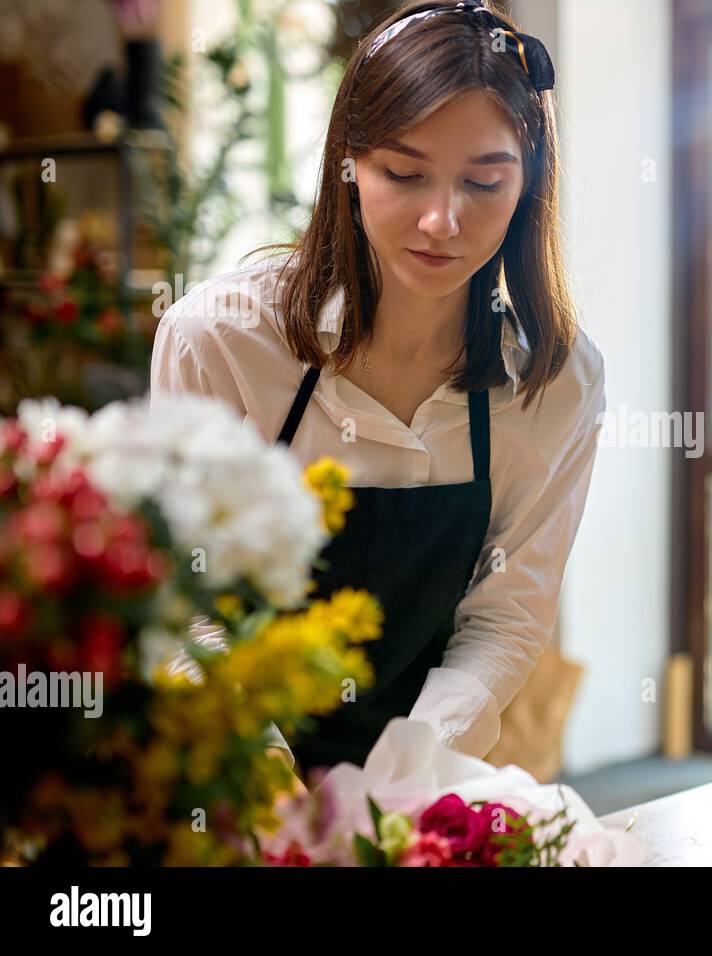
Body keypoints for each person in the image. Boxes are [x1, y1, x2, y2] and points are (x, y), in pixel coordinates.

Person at [148, 0, 604, 782]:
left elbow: (505, 617)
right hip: (227, 768)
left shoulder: (555, 382)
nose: (441, 220)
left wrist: (400, 778)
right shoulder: (219, 342)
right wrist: (267, 786)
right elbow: (189, 598)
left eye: (485, 182)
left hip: (417, 781)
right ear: (347, 164)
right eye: (404, 173)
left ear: (529, 186)